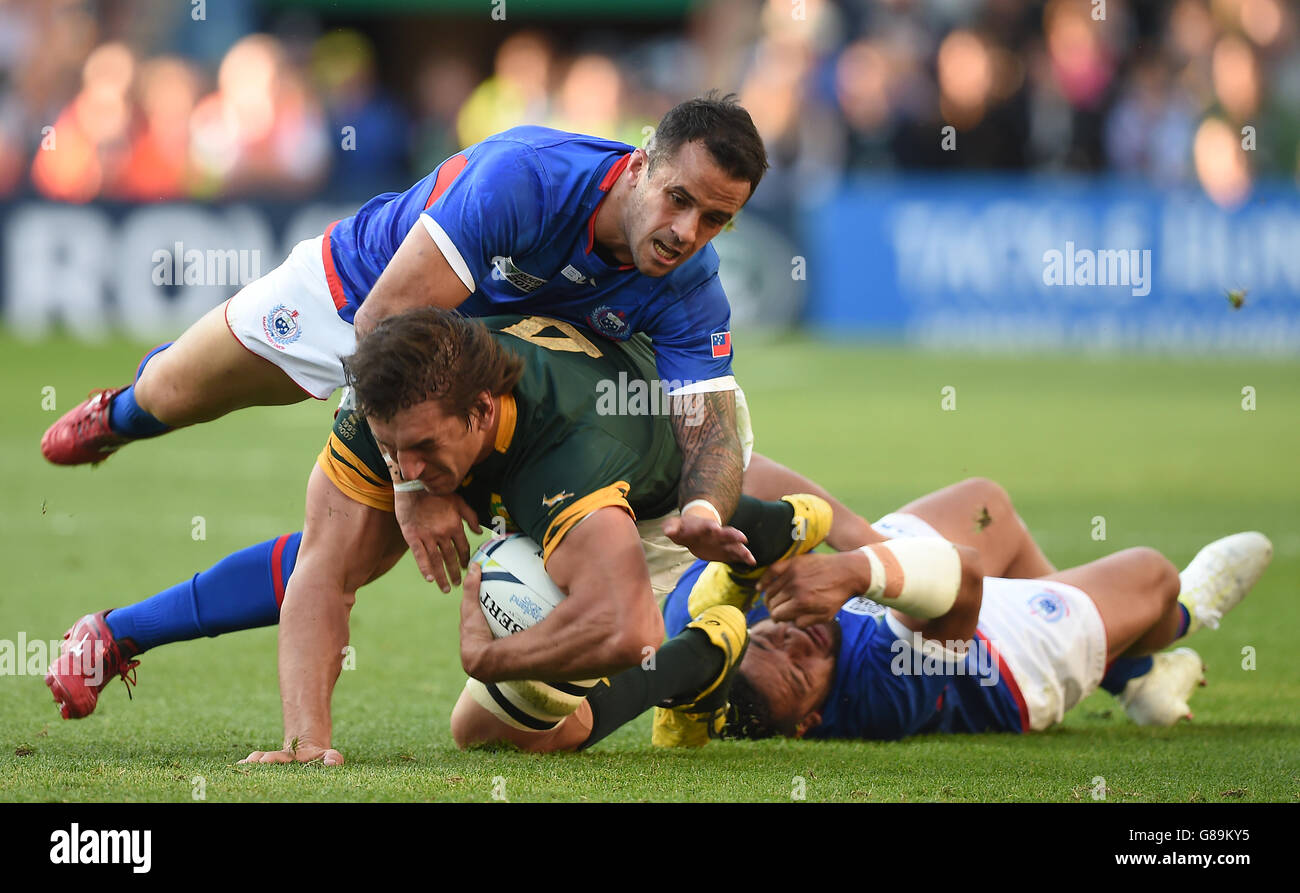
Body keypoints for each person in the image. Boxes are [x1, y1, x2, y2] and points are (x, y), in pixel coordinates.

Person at [41, 93, 767, 588]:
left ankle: (119, 635)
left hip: (460, 371)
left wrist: (702, 512)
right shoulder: (529, 179)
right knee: (176, 393)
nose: (686, 233)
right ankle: (119, 415)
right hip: (353, 292)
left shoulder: (691, 285)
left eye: (714, 220)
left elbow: (712, 431)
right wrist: (414, 483)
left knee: (347, 551)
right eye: (679, 199)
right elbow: (380, 322)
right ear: (641, 166)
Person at [153, 308, 824, 767]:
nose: (406, 469)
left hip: (670, 471)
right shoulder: (393, 399)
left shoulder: (573, 460)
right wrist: (305, 743)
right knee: (476, 733)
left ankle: (734, 593)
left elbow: (632, 629)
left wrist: (492, 657)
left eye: (421, 450)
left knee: (527, 733)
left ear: (481, 410)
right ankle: (725, 617)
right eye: (392, 451)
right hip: (559, 442)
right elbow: (323, 569)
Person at [449, 471, 1273, 752]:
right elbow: (969, 587)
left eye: (775, 637)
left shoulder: (724, 651)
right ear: (811, 722)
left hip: (893, 593)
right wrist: (854, 570)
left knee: (987, 499)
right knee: (1151, 575)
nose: (802, 638)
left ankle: (1125, 661)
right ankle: (1146, 656)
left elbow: (552, 725)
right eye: (806, 663)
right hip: (1003, 657)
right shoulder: (882, 686)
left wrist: (498, 664)